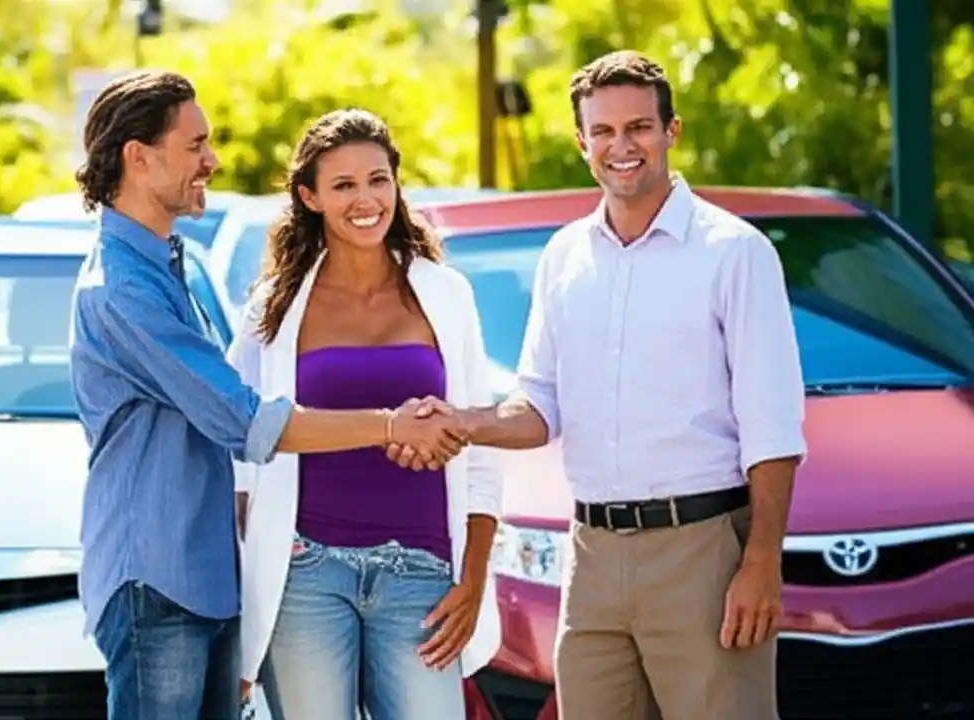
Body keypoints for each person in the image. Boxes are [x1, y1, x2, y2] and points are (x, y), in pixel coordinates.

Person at [394, 50, 807, 720]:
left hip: (700, 549)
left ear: (671, 131)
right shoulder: (564, 258)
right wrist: (463, 421)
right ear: (582, 141)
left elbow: (773, 427)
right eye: (605, 132)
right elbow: (539, 407)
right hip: (590, 556)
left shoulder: (734, 252)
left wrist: (762, 564)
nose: (623, 146)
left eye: (639, 127)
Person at [68, 71, 468, 720]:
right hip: (156, 580)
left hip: (203, 578)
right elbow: (244, 420)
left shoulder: (164, 267)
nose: (212, 161)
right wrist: (393, 426)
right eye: (196, 144)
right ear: (139, 158)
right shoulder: (122, 291)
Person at [227, 108, 502, 720]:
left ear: (397, 184)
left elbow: (480, 447)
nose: (365, 199)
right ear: (310, 197)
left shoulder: (445, 294)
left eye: (378, 180)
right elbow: (239, 444)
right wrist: (248, 567)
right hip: (305, 574)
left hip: (423, 573)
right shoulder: (273, 309)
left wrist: (474, 578)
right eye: (343, 185)